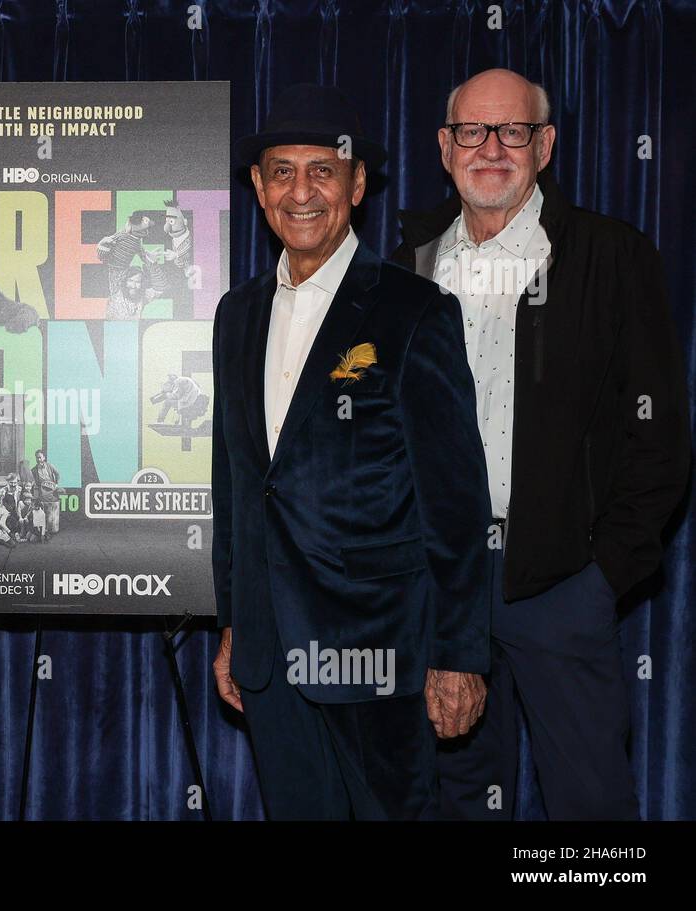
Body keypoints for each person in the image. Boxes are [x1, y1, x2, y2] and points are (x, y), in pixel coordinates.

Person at [391, 69, 691, 820]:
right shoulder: (405, 269)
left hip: (561, 585)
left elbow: (660, 439)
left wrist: (601, 576)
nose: (491, 148)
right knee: (452, 800)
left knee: (591, 810)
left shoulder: (612, 258)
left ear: (545, 144)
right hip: (438, 587)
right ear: (443, 145)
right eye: (472, 131)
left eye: (513, 131)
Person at [211, 83, 492, 819]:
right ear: (258, 186)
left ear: (357, 185)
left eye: (323, 171)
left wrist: (459, 653)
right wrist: (235, 625)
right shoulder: (235, 315)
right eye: (280, 171)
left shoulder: (413, 312)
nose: (300, 191)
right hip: (271, 655)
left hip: (379, 657)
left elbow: (456, 504)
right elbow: (238, 484)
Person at [30, 449, 61, 542]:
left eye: (40, 457)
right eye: (37, 458)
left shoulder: (50, 466)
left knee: (51, 510)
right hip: (42, 491)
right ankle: (43, 531)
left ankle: (51, 529)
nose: (38, 459)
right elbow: (34, 481)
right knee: (42, 511)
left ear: (44, 457)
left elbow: (57, 474)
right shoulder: (34, 469)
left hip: (51, 490)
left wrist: (56, 484)